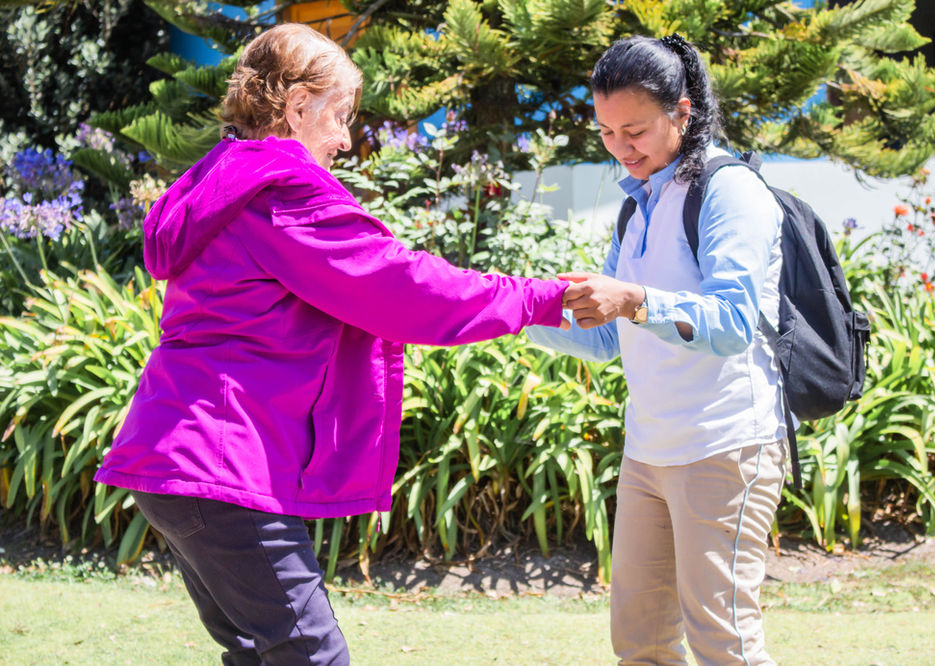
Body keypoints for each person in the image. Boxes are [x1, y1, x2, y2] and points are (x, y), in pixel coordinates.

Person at [93, 23, 575, 665]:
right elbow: (405, 291)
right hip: (218, 460)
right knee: (311, 656)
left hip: (177, 455)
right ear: (297, 107)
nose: (346, 139)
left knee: (262, 654)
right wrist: (542, 297)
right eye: (340, 115)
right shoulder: (281, 191)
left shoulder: (220, 179)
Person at [527, 34, 788, 665]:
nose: (621, 148)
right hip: (649, 451)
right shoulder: (637, 206)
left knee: (723, 640)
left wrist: (635, 298)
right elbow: (604, 338)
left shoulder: (729, 192)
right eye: (608, 132)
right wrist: (506, 311)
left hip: (725, 446)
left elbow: (731, 322)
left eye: (635, 130)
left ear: (683, 111)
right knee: (640, 643)